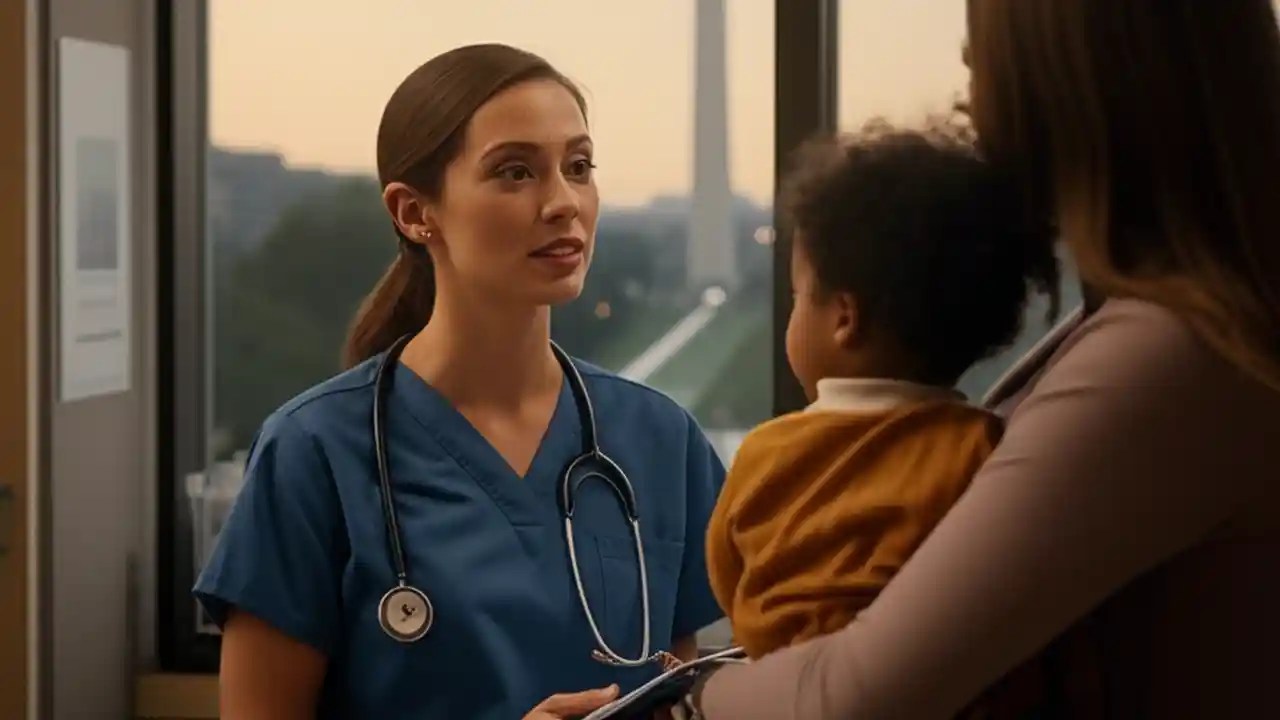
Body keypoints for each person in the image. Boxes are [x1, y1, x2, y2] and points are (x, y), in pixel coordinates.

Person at [688, 0, 1280, 717]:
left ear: (1069, 87)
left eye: (984, 62)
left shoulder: (1170, 356)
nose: (969, 95)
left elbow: (852, 695)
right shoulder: (1144, 328)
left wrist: (685, 700)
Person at [193, 43, 725, 719]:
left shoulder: (659, 441)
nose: (564, 201)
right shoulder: (315, 454)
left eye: (579, 166)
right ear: (416, 212)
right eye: (514, 173)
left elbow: (670, 690)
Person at [706, 120, 1058, 661]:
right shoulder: (987, 452)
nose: (793, 311)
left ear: (844, 318)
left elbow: (730, 583)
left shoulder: (766, 453)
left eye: (800, 296)